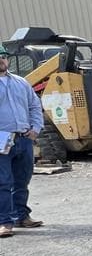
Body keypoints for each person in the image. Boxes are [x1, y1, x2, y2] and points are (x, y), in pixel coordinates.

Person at [0, 42, 45, 237]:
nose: (1, 60)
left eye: (2, 56)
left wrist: (35, 128)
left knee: (22, 180)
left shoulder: (21, 82)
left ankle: (21, 216)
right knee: (3, 181)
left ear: (6, 59)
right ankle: (4, 221)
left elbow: (35, 106)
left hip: (23, 139)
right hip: (1, 139)